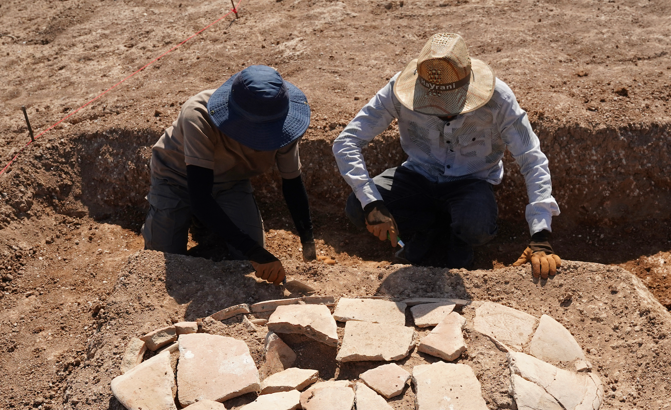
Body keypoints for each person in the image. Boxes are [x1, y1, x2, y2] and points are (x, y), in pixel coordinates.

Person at [333, 33, 561, 277]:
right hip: (417, 176)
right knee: (358, 207)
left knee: (476, 227)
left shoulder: (499, 99)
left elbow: (531, 157)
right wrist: (373, 203)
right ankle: (427, 231)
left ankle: (455, 239)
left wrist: (540, 235)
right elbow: (346, 142)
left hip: (471, 182)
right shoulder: (396, 90)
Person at [142, 65, 316, 285]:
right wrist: (255, 251)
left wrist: (308, 240)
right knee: (165, 261)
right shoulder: (198, 115)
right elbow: (200, 197)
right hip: (177, 178)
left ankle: (209, 228)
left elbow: (292, 184)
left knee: (245, 259)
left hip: (231, 181)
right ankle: (189, 221)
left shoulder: (283, 122)